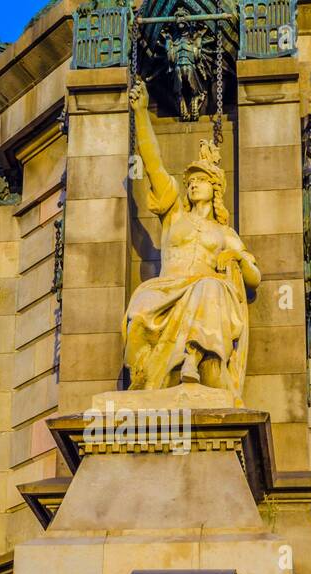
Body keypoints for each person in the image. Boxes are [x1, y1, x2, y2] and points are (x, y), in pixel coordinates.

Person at [123, 79, 260, 404]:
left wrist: (237, 259)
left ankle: (192, 361)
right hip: (166, 289)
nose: (194, 185)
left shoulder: (225, 234)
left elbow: (254, 276)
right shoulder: (174, 215)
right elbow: (153, 163)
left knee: (209, 288)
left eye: (201, 180)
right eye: (191, 181)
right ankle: (156, 376)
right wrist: (141, 114)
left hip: (204, 291)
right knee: (140, 307)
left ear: (216, 188)